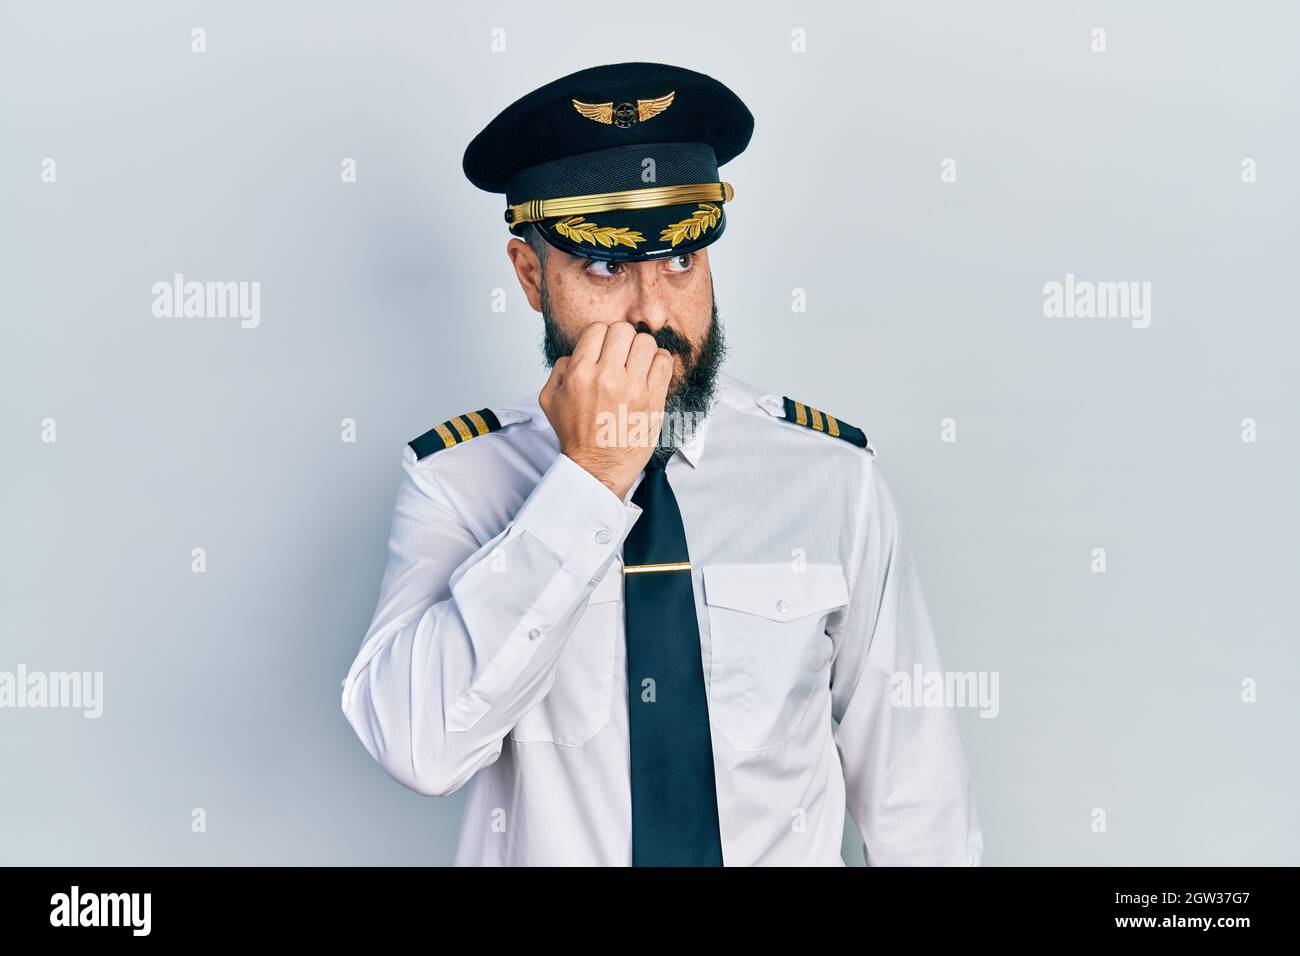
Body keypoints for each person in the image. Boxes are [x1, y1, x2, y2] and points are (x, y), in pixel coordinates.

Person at [340, 62, 983, 866]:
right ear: (531, 275)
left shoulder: (832, 479)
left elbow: (916, 801)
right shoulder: (457, 484)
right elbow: (417, 746)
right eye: (607, 268)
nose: (653, 310)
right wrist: (588, 480)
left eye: (682, 262)